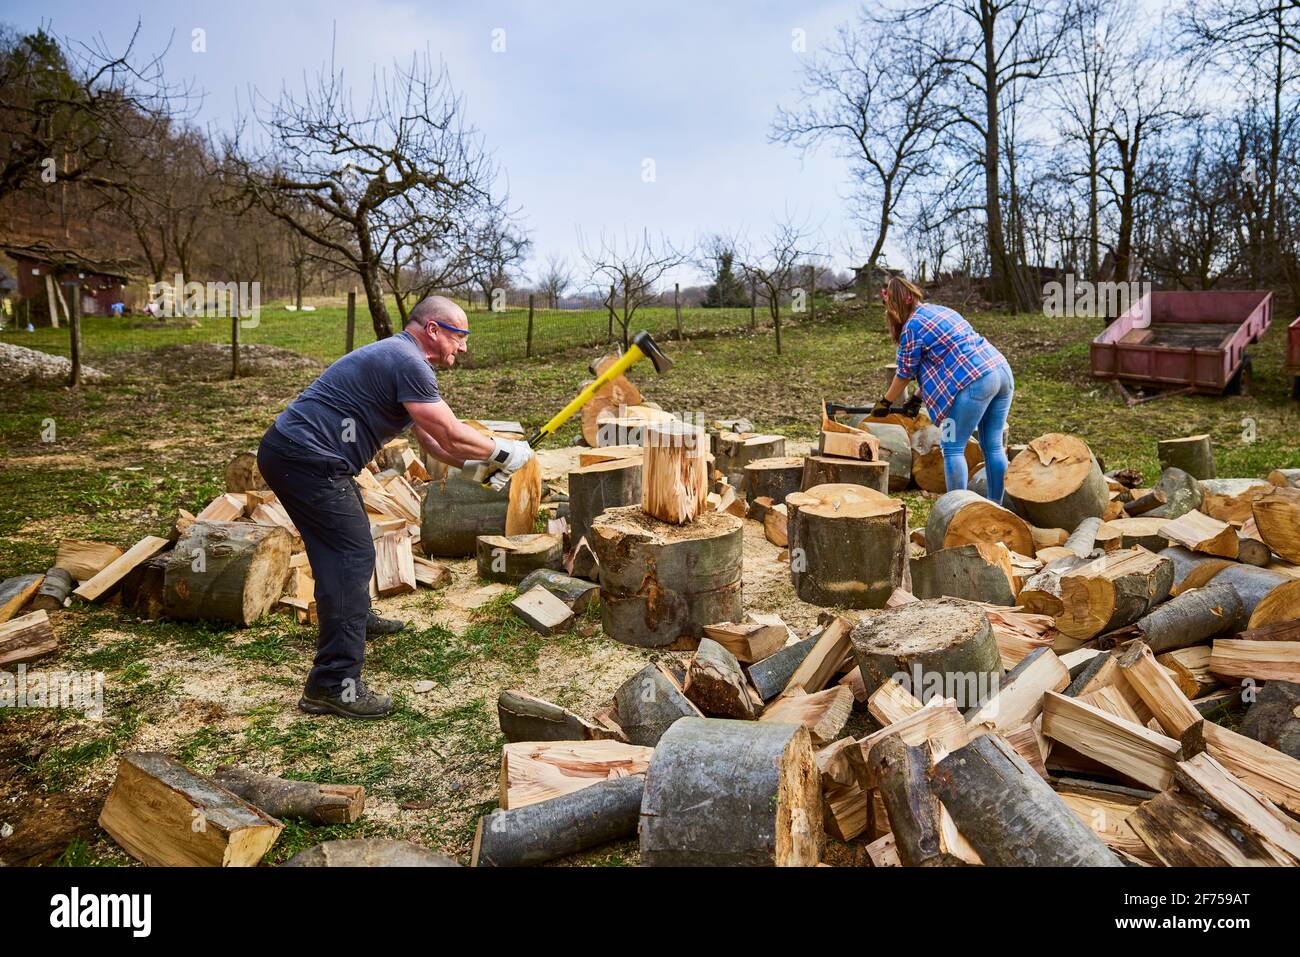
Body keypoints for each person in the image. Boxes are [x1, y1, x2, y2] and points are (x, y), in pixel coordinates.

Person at [256, 295, 534, 719]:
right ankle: (332, 684)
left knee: (342, 548)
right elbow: (450, 430)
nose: (463, 347)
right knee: (350, 554)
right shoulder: (409, 361)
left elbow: (432, 441)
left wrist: (480, 470)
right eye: (459, 336)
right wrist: (503, 450)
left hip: (296, 454)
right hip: (308, 459)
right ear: (434, 330)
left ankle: (355, 617)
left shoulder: (401, 359)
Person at [870, 276, 1014, 503]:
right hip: (1001, 371)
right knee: (993, 446)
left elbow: (905, 373)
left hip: (975, 381)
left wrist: (885, 402)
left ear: (897, 304)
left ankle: (958, 510)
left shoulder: (911, 328)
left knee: (951, 446)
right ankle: (996, 507)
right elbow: (943, 361)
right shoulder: (941, 311)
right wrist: (917, 399)